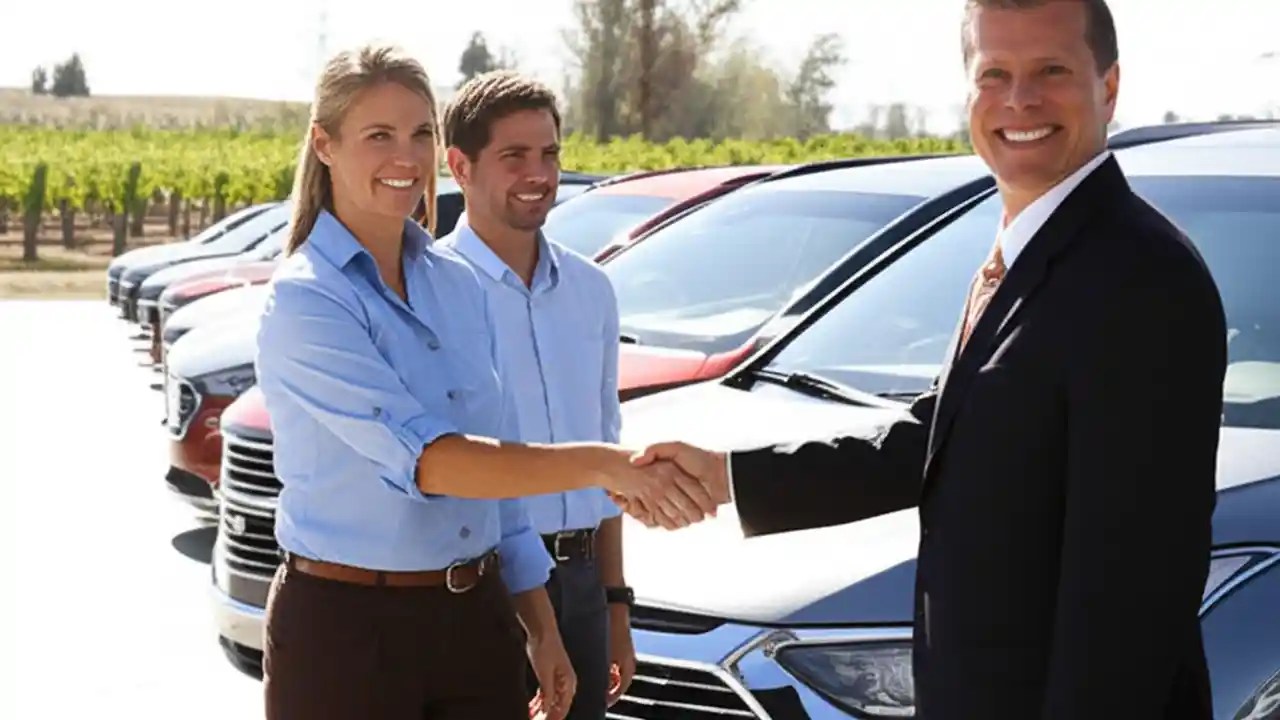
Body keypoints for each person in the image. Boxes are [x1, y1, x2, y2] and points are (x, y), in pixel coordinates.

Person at [625, 1, 1228, 718]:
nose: (1019, 100)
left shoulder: (1141, 280)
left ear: (1111, 85)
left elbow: (1132, 595)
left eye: (1052, 71)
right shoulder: (1030, 251)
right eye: (994, 73)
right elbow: (936, 440)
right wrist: (728, 476)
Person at [254, 43, 698, 720]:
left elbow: (503, 490)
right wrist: (611, 467)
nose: (407, 158)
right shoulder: (306, 300)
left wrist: (542, 628)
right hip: (348, 633)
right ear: (324, 144)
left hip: (477, 622)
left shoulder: (457, 284)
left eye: (421, 134)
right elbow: (434, 463)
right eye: (379, 136)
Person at [436, 71, 635, 720]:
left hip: (580, 586)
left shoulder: (591, 290)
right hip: (478, 589)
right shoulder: (431, 293)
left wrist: (615, 606)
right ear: (460, 166)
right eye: (514, 155)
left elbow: (608, 456)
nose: (538, 173)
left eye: (548, 154)